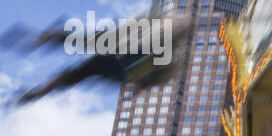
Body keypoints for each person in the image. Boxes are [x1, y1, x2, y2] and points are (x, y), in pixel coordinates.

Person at [17, 48, 181, 104]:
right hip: (116, 66)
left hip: (119, 67)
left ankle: (40, 92)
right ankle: (39, 93)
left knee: (83, 71)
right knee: (81, 72)